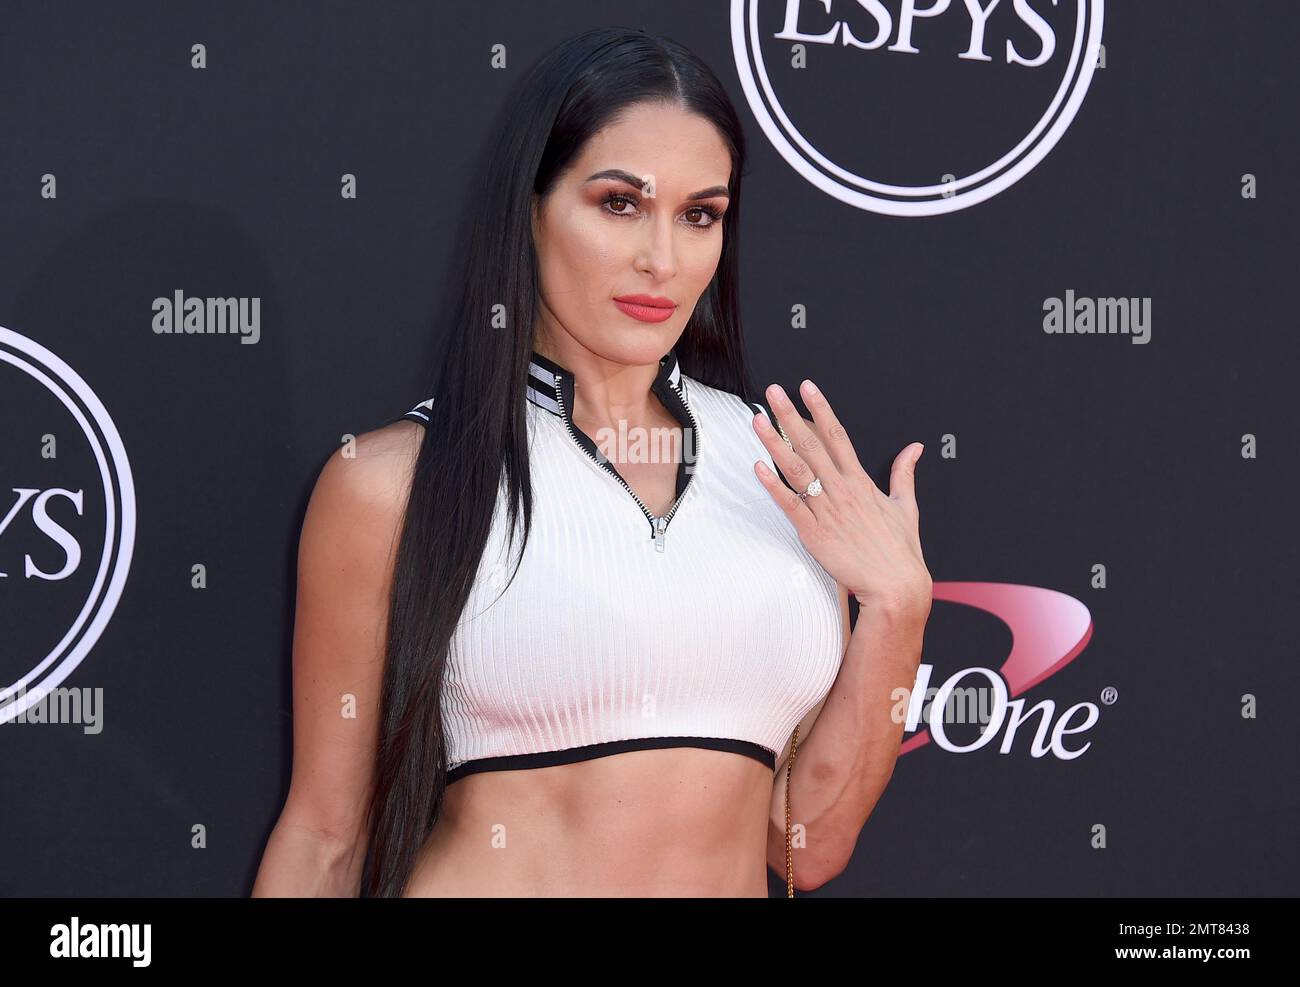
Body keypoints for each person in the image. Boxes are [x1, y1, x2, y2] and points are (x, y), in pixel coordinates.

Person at [252, 26, 931, 898]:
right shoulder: (391, 484)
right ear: (529, 209)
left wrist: (900, 611)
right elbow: (325, 839)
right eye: (619, 203)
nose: (662, 257)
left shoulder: (785, 473)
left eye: (700, 214)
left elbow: (810, 840)